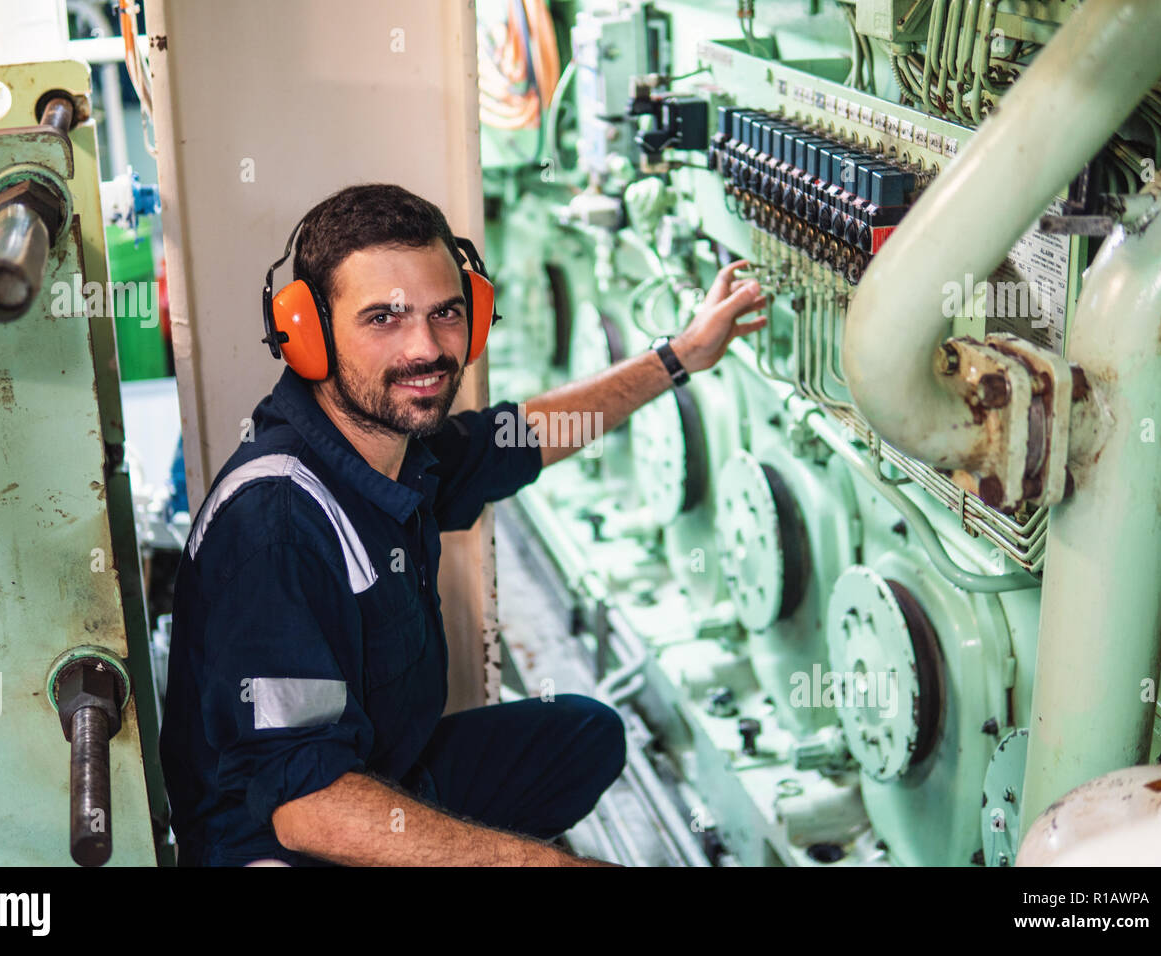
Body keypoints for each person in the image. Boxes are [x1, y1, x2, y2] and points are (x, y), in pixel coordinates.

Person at [159, 183, 770, 866]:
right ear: (309, 335)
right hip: (283, 840)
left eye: (446, 313)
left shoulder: (392, 445)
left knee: (584, 736)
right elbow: (305, 805)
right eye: (383, 319)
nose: (426, 348)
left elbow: (527, 435)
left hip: (383, 770)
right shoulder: (276, 522)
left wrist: (678, 356)